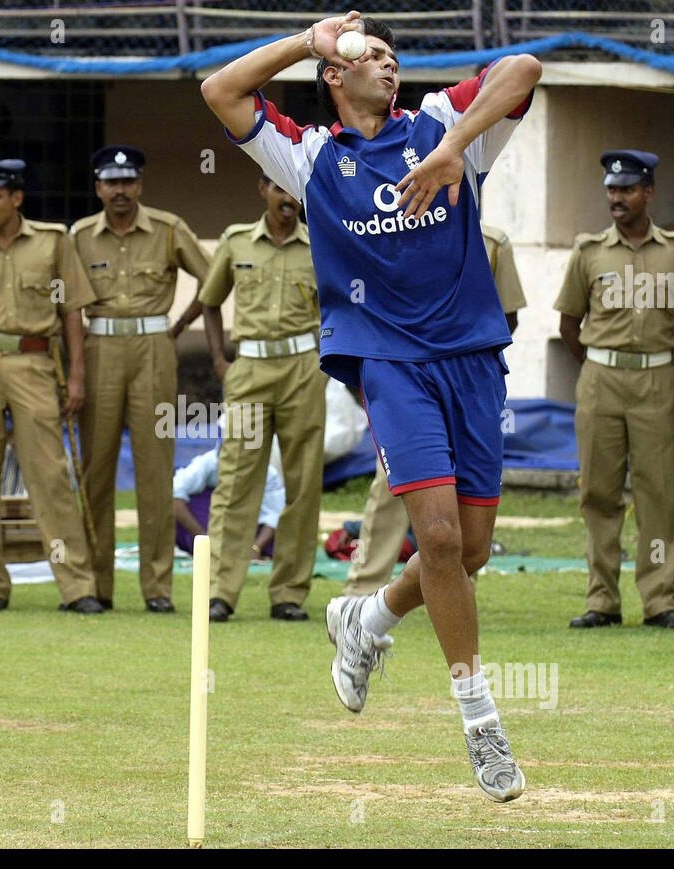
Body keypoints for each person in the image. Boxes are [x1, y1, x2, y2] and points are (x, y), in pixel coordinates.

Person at [201, 10, 540, 801]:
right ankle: (480, 720)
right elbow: (220, 89)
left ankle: (370, 619)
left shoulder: (440, 123)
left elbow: (522, 67)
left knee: (472, 550)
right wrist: (304, 40)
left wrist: (457, 149)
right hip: (389, 365)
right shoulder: (311, 156)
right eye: (373, 56)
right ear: (337, 74)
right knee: (442, 536)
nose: (390, 67)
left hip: (472, 359)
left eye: (396, 57)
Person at [0, 159, 103, 614]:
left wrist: (76, 375)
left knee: (50, 476)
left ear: (16, 197)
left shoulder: (53, 242)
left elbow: (72, 310)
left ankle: (77, 586)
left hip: (34, 360)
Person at [344, 220, 525, 597]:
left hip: (466, 383)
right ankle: (362, 591)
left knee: (469, 499)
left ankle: (454, 588)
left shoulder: (491, 241)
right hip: (407, 381)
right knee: (390, 489)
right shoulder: (390, 231)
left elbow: (507, 316)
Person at [72, 145, 212, 613]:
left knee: (155, 470)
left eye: (128, 181)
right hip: (98, 349)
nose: (120, 191)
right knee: (96, 468)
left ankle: (157, 588)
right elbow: (66, 303)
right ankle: (94, 584)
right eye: (111, 182)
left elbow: (212, 280)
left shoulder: (169, 229)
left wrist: (178, 327)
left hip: (154, 347)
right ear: (98, 188)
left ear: (140, 185)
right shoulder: (79, 237)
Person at [556, 150, 674, 630]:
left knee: (660, 493)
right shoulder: (589, 251)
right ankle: (602, 601)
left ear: (648, 192)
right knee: (598, 491)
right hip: (600, 380)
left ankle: (660, 601)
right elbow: (569, 322)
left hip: (657, 379)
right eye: (611, 189)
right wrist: (598, 363)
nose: (616, 197)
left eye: (627, 189)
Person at [197, 175, 324, 623]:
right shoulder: (236, 242)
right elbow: (209, 301)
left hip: (303, 370)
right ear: (263, 191)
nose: (286, 199)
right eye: (277, 188)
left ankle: (288, 592)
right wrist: (219, 361)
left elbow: (343, 307)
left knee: (303, 480)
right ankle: (220, 591)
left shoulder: (322, 243)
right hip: (248, 371)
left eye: (293, 191)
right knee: (235, 479)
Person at [173, 441, 285, 561]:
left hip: (248, 526)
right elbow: (175, 494)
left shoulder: (268, 473)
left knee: (285, 530)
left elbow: (274, 515)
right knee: (184, 507)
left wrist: (256, 548)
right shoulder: (207, 462)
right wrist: (204, 540)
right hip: (209, 526)